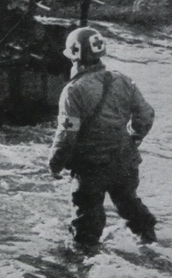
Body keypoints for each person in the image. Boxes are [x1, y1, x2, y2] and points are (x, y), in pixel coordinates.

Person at [48, 27, 157, 249]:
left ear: (75, 56)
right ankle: (150, 246)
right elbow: (146, 115)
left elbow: (67, 136)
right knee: (129, 205)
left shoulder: (73, 90)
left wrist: (55, 164)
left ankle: (85, 263)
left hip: (91, 165)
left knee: (86, 225)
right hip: (124, 160)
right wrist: (134, 138)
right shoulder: (122, 79)